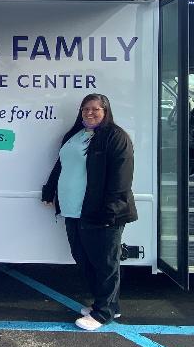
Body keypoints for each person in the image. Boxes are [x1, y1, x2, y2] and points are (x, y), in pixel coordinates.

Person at [41, 93, 136, 331]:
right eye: (85, 109)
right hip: (73, 209)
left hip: (101, 213)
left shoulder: (115, 137)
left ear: (106, 111)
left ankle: (103, 313)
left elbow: (121, 178)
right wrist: (49, 190)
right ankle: (107, 304)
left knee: (105, 263)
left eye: (95, 109)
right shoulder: (75, 135)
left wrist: (110, 211)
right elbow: (61, 165)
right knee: (83, 258)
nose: (89, 113)